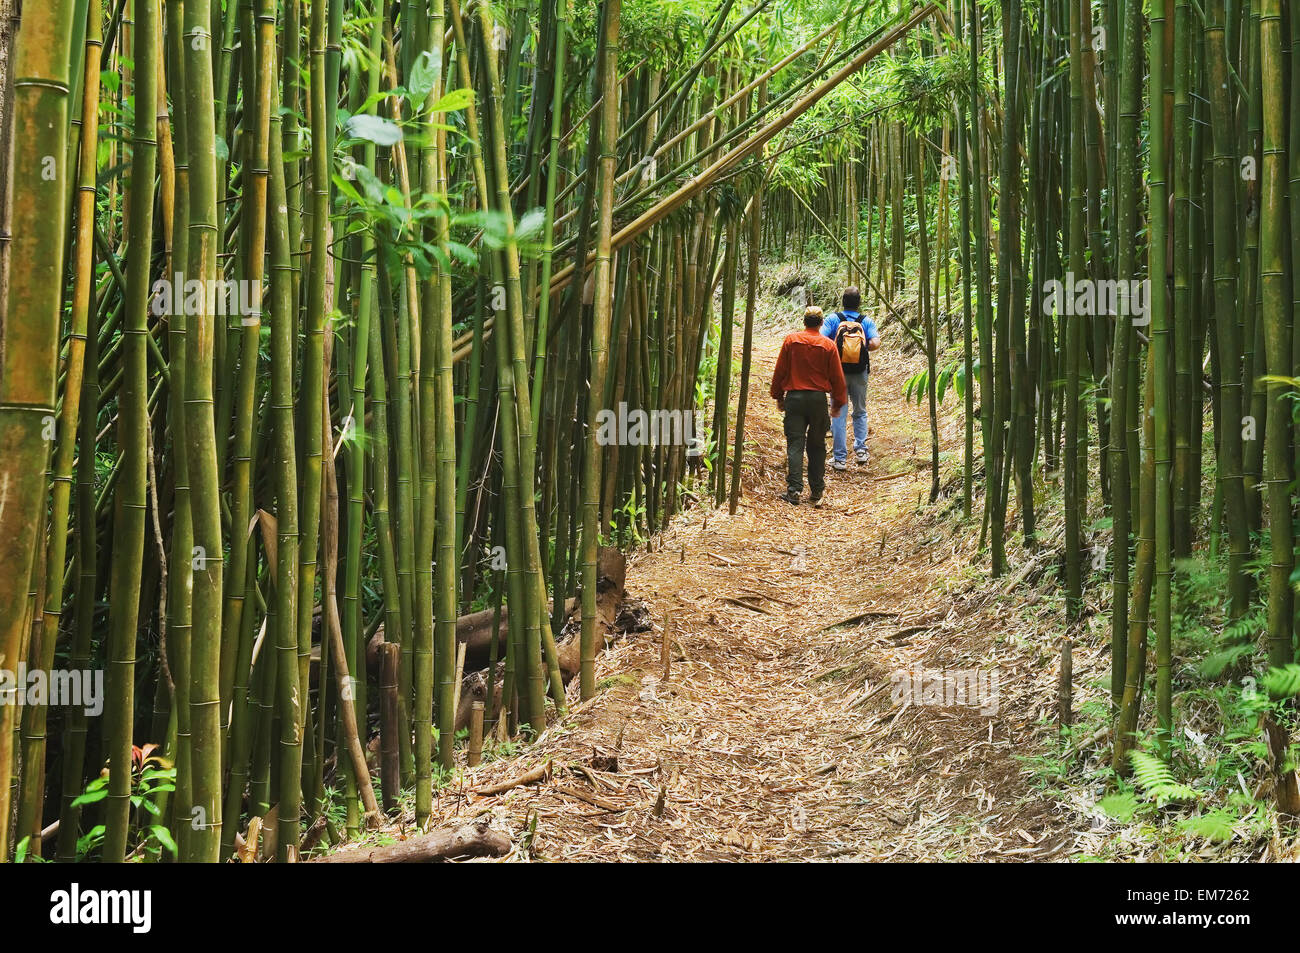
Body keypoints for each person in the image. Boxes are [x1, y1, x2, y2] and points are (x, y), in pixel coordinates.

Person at [770, 305, 847, 507]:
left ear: (804, 322)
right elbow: (837, 378)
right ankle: (817, 490)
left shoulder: (791, 340)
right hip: (817, 400)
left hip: (794, 398)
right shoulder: (828, 346)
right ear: (821, 323)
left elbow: (780, 370)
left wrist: (778, 395)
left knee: (795, 443)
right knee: (817, 445)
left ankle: (794, 490)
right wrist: (838, 402)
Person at [820, 287, 881, 470]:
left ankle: (839, 459)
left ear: (843, 301)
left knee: (839, 413)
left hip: (837, 371)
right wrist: (860, 350)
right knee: (860, 410)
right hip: (860, 372)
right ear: (859, 303)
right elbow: (875, 343)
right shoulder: (866, 321)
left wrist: (837, 349)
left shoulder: (833, 319)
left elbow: (821, 339)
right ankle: (861, 450)